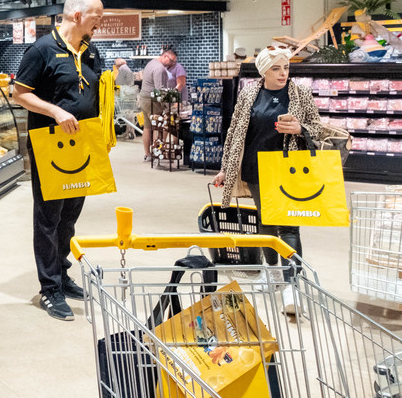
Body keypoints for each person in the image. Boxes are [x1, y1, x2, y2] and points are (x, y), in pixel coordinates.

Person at [11, 0, 105, 322]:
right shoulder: (41, 50)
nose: (100, 21)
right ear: (77, 15)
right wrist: (55, 112)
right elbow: (19, 93)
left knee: (70, 216)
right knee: (48, 218)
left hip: (84, 146)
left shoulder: (89, 50)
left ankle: (62, 275)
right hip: (51, 147)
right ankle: (49, 288)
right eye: (97, 15)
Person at [212, 46, 322, 314]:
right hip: (255, 167)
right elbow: (236, 132)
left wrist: (301, 129)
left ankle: (291, 284)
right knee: (266, 221)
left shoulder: (300, 93)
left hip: (289, 168)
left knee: (289, 227)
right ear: (264, 70)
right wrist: (226, 168)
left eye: (285, 67)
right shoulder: (249, 93)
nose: (283, 73)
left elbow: (319, 129)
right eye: (276, 68)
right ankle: (271, 272)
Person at [138, 46, 187, 161]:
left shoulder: (151, 63)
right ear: (165, 56)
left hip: (144, 98)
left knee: (147, 126)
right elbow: (160, 91)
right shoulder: (159, 69)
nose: (172, 64)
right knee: (158, 127)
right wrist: (169, 105)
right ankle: (158, 153)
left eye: (174, 62)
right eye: (171, 61)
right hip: (152, 101)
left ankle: (148, 154)